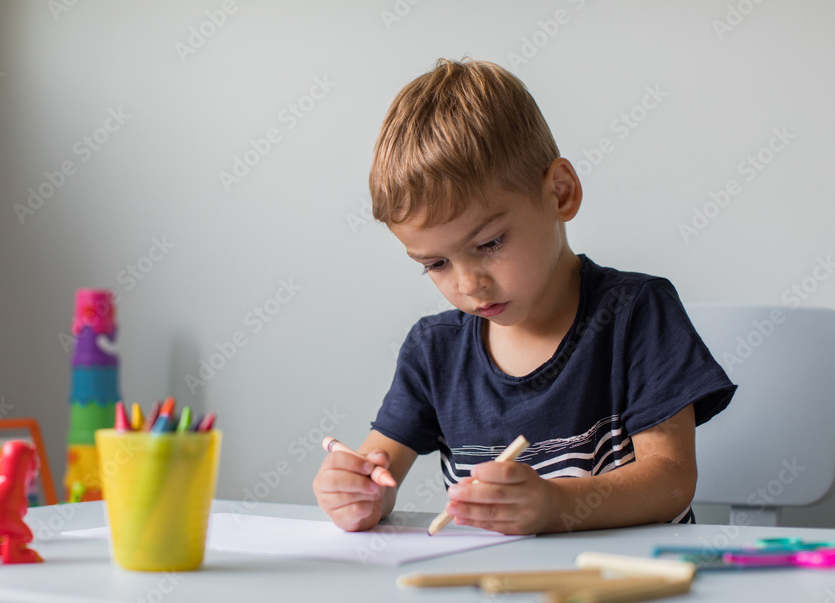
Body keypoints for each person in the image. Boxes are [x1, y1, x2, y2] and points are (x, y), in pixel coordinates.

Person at [313, 58, 736, 535]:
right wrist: (358, 492)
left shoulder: (636, 313)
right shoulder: (434, 351)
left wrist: (555, 506)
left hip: (626, 577)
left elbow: (672, 481)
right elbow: (378, 473)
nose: (468, 285)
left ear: (560, 193)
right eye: (436, 264)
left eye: (490, 243)